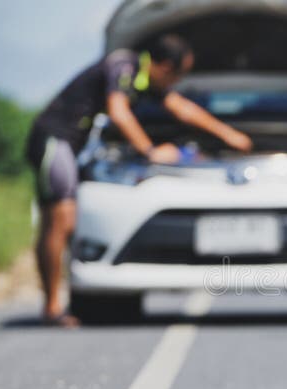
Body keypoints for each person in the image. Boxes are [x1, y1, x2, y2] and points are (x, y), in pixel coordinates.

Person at [26, 34, 253, 327]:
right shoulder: (123, 66)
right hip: (54, 140)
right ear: (165, 66)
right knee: (60, 219)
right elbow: (119, 112)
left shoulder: (145, 78)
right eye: (178, 75)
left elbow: (181, 108)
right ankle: (52, 307)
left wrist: (229, 135)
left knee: (59, 220)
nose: (176, 83)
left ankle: (53, 303)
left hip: (69, 145)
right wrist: (150, 152)